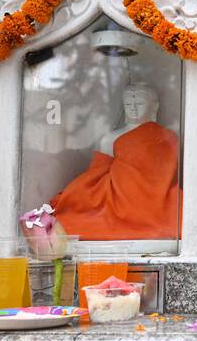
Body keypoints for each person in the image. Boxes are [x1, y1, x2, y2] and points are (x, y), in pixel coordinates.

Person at [50, 82, 182, 239]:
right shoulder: (110, 138)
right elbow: (97, 174)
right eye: (128, 104)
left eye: (139, 103)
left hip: (158, 200)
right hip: (118, 200)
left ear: (154, 106)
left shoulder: (167, 138)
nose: (133, 108)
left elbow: (168, 173)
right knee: (71, 220)